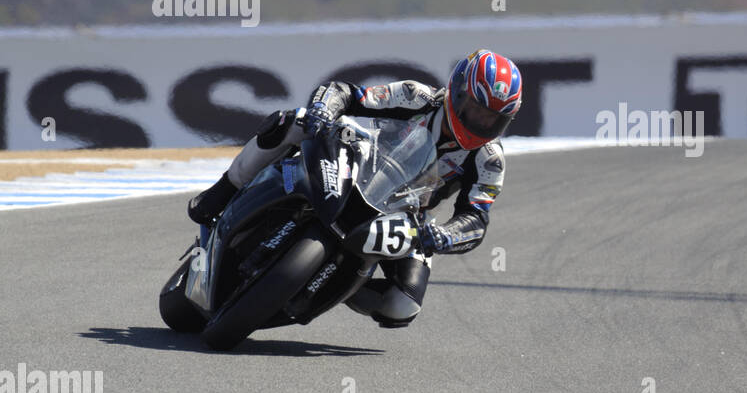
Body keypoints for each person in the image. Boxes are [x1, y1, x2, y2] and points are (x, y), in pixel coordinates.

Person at [185, 49, 522, 328]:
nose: (482, 123)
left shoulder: (489, 160)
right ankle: (223, 192)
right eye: (477, 110)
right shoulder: (415, 96)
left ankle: (336, 287)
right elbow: (345, 93)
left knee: (401, 306)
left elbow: (476, 219)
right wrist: (323, 110)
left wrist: (444, 236)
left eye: (492, 119)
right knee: (293, 121)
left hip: (407, 216)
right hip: (358, 165)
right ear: (458, 92)